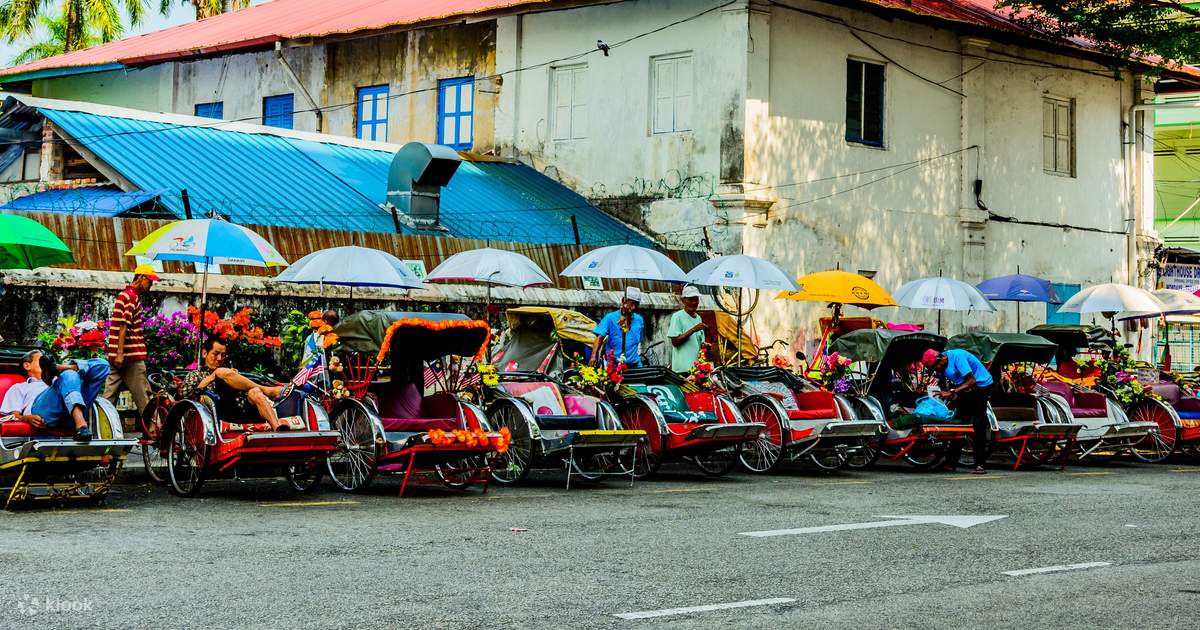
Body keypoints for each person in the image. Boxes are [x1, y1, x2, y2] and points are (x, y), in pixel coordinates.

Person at [179, 338, 289, 431]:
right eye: (215, 354)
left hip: (240, 412)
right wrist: (212, 377)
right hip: (217, 414)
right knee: (220, 372)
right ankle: (268, 390)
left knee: (255, 391)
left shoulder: (229, 372)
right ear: (204, 353)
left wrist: (233, 377)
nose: (219, 359)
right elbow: (185, 394)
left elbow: (245, 395)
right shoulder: (195, 374)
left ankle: (276, 427)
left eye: (223, 355)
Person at [1, 350, 110, 442]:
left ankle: (60, 368)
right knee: (69, 374)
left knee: (103, 365)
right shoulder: (19, 387)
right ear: (27, 365)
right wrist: (26, 418)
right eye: (42, 360)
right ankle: (81, 425)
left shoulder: (61, 379)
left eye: (48, 363)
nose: (46, 363)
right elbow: (13, 415)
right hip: (44, 415)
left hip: (69, 414)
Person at [922, 347, 994, 474]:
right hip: (965, 387)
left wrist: (953, 392)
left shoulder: (957, 356)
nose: (937, 369)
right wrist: (952, 393)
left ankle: (980, 464)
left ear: (941, 359)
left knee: (978, 424)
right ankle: (950, 463)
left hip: (981, 385)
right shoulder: (942, 367)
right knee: (958, 424)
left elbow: (971, 380)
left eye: (936, 366)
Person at [103, 264, 157, 416]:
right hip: (130, 356)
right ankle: (154, 428)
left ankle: (101, 425)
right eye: (150, 281)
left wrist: (117, 353)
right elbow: (123, 325)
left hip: (117, 356)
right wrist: (121, 353)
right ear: (141, 278)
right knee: (145, 399)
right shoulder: (131, 297)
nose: (151, 285)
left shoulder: (124, 295)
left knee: (108, 398)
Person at [591, 287, 645, 368]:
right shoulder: (610, 318)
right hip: (615, 366)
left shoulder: (639, 319)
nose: (634, 307)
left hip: (634, 365)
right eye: (631, 304)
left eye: (636, 305)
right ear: (623, 301)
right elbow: (600, 337)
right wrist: (593, 356)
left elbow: (638, 341)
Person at [668, 285, 705, 373]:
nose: (694, 302)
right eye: (690, 299)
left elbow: (699, 343)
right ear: (683, 300)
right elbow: (675, 342)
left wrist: (705, 345)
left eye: (696, 299)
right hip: (682, 369)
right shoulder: (677, 317)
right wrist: (693, 329)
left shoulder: (698, 318)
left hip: (697, 369)